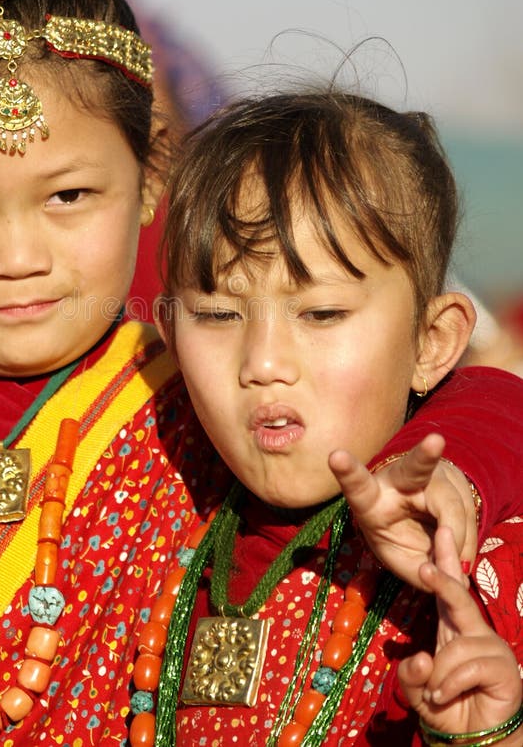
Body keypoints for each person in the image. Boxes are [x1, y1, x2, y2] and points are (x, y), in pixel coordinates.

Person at [0, 0, 520, 747]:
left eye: (68, 198)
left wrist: (460, 469)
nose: (17, 258)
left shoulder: (191, 387)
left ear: (152, 172)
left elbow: (480, 392)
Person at [143, 92, 523, 746]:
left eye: (319, 314)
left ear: (430, 343)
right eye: (217, 315)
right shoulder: (148, 491)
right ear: (171, 334)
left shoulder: (471, 572)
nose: (261, 363)